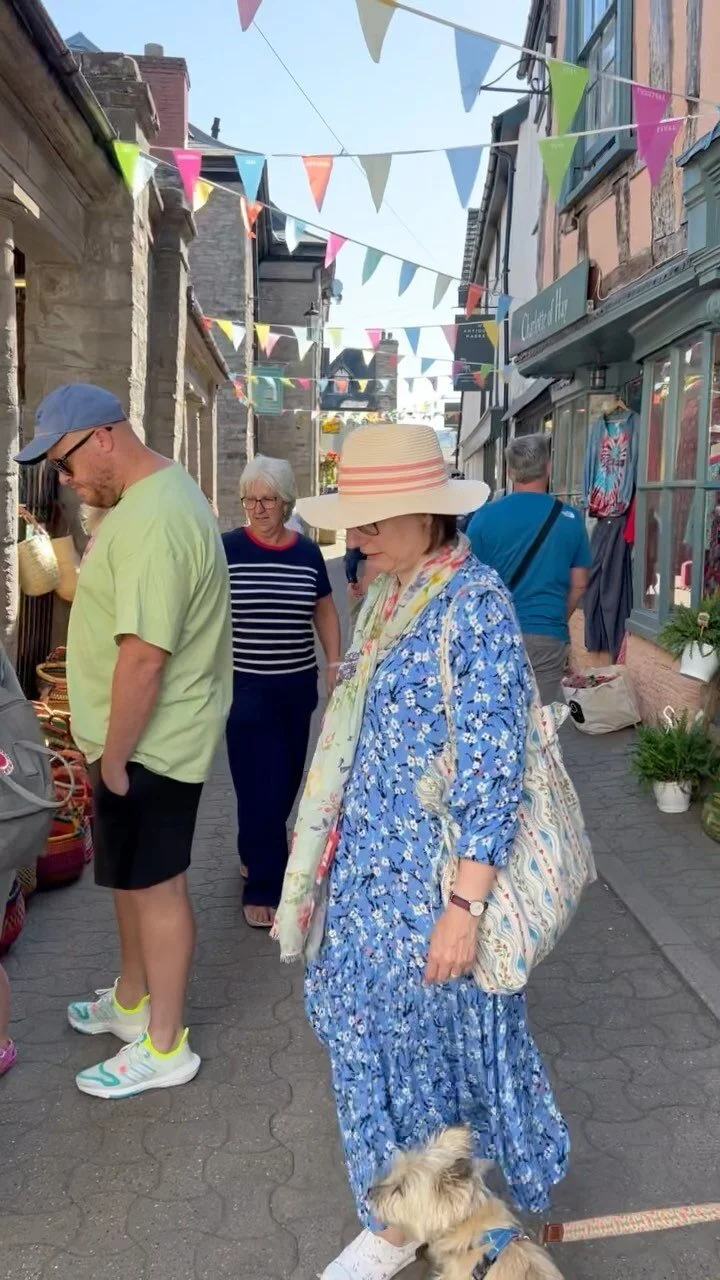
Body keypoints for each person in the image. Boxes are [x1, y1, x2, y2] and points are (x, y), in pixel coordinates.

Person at [273, 423, 569, 1280]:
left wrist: (464, 909)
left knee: (432, 1067)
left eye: (372, 521)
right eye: (353, 522)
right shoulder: (389, 594)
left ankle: (437, 1231)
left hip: (430, 890)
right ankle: (398, 1218)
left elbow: (494, 770)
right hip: (368, 885)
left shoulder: (474, 603)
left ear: (426, 513)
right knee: (366, 1045)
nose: (357, 537)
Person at [15, 383, 232, 1099]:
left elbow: (144, 656)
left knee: (157, 887)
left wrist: (112, 758)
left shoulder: (155, 518)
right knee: (132, 880)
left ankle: (165, 1044)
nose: (66, 478)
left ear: (103, 437)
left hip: (147, 745)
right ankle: (133, 999)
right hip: (132, 741)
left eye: (66, 461)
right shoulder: (143, 501)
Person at [223, 456, 341, 930]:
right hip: (245, 687)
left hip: (295, 688)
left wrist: (334, 662)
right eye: (249, 499)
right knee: (260, 788)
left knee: (286, 782)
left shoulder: (308, 553)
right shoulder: (227, 549)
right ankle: (263, 885)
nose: (257, 508)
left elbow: (325, 609)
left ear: (286, 502)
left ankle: (253, 849)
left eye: (267, 499)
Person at [468, 433, 591, 705]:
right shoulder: (570, 518)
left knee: (495, 711)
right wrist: (556, 618)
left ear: (510, 472)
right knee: (542, 718)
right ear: (548, 467)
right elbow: (580, 583)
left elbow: (469, 582)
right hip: (546, 632)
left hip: (495, 632)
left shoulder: (485, 517)